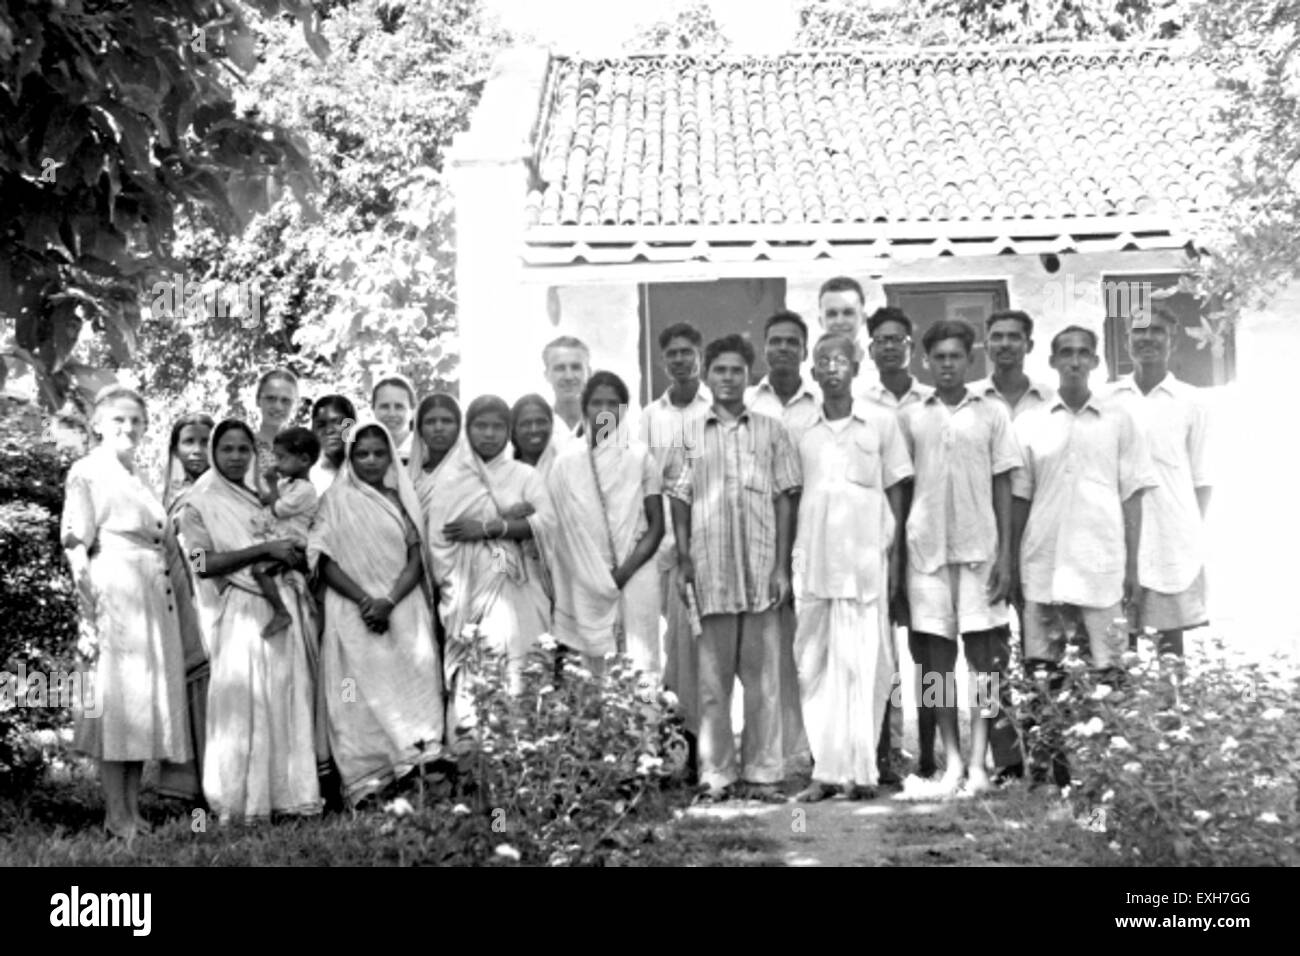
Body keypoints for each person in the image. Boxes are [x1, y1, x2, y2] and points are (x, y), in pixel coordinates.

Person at [1010, 326, 1157, 785]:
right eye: (1066, 354)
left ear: (1096, 362)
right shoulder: (1031, 421)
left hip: (1102, 561)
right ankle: (1053, 771)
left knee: (1108, 667)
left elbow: (1132, 495)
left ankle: (1108, 770)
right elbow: (1019, 498)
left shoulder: (1120, 419)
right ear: (1052, 362)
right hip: (1044, 560)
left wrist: (1134, 567)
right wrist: (1013, 564)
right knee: (1043, 668)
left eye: (1083, 354)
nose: (1074, 362)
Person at [666, 334, 802, 803]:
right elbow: (678, 500)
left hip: (762, 570)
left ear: (749, 375)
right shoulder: (687, 435)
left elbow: (787, 499)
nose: (727, 378)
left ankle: (764, 772)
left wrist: (782, 566)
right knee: (711, 684)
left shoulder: (771, 430)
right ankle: (717, 773)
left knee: (763, 681)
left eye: (736, 370)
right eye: (719, 370)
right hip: (711, 573)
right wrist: (684, 559)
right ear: (707, 375)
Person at [898, 319, 1022, 796]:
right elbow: (902, 490)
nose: (947, 364)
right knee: (934, 667)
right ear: (925, 361)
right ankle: (950, 761)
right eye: (939, 356)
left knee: (986, 664)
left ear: (970, 361)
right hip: (926, 556)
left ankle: (979, 762)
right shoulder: (911, 416)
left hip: (980, 554)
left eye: (956, 356)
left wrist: (1006, 556)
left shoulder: (991, 413)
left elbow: (1004, 485)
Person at [61, 386, 191, 838]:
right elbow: (78, 548)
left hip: (150, 597)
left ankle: (133, 811)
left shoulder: (138, 473)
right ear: (97, 423)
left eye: (136, 420)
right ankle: (115, 815)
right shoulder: (87, 472)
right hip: (115, 593)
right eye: (118, 419)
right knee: (117, 706)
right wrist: (88, 615)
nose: (128, 428)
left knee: (139, 705)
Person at [177, 419, 321, 823]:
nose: (237, 457)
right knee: (245, 702)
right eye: (228, 449)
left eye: (244, 450)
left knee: (283, 695)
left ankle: (288, 796)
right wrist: (265, 550)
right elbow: (202, 563)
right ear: (213, 453)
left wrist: (286, 554)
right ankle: (241, 800)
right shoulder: (199, 500)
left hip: (281, 603)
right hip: (240, 610)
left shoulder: (255, 496)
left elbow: (288, 532)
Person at [793, 334, 912, 802]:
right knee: (814, 667)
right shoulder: (801, 429)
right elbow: (790, 498)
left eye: (841, 359)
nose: (832, 367)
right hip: (816, 565)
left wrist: (896, 561)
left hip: (866, 568)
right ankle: (825, 773)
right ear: (814, 371)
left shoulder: (881, 423)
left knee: (867, 665)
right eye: (824, 361)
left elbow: (897, 492)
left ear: (856, 366)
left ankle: (861, 773)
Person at [308, 422, 446, 805]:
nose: (370, 460)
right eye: (361, 453)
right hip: (352, 613)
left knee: (410, 685)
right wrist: (366, 601)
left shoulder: (403, 498)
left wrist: (388, 600)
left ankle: (417, 769)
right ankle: (367, 782)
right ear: (349, 458)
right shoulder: (334, 500)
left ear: (390, 457)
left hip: (402, 608)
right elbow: (322, 557)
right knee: (353, 696)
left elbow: (418, 556)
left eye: (378, 453)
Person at [426, 396, 552, 729]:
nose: (490, 434)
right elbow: (440, 539)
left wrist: (491, 527)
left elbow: (548, 524)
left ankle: (527, 750)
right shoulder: (452, 478)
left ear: (509, 431)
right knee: (480, 669)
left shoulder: (524, 474)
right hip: (469, 591)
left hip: (521, 586)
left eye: (498, 426)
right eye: (481, 426)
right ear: (468, 430)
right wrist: (454, 590)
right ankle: (475, 752)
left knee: (523, 663)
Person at [1104, 307, 1212, 657]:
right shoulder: (1107, 401)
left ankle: (1170, 710)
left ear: (1173, 340)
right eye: (1138, 331)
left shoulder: (1192, 401)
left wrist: (1189, 531)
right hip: (1117, 532)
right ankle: (1124, 709)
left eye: (1157, 331)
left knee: (1170, 642)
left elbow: (1202, 478)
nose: (1147, 337)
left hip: (1171, 533)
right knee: (1120, 638)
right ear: (1126, 340)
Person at [548, 371, 664, 676]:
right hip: (585, 573)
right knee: (592, 660)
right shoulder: (565, 462)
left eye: (613, 403)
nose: (604, 410)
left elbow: (656, 526)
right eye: (596, 403)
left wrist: (622, 573)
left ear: (625, 410)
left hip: (637, 569)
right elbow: (560, 533)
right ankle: (598, 723)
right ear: (585, 408)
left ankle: (644, 722)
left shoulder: (640, 457)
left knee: (642, 658)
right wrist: (595, 574)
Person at [861, 305, 932, 783]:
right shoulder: (863, 405)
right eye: (881, 339)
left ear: (911, 346)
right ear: (871, 349)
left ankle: (929, 749)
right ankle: (884, 750)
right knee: (880, 649)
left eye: (898, 339)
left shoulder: (932, 402)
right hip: (883, 541)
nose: (889, 346)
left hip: (930, 542)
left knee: (930, 653)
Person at [744, 310, 817, 778]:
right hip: (759, 543)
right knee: (767, 655)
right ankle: (769, 751)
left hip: (817, 539)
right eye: (776, 341)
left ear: (804, 351)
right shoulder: (746, 403)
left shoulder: (824, 402)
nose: (784, 348)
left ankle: (816, 748)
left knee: (811, 652)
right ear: (765, 348)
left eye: (793, 342)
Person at [639, 322, 712, 753]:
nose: (681, 360)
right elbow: (644, 481)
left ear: (699, 356)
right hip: (666, 548)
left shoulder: (714, 407)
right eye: (673, 354)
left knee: (707, 648)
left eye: (688, 352)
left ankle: (710, 740)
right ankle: (679, 741)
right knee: (674, 647)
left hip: (713, 543)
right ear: (663, 360)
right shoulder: (651, 416)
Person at [156, 412, 216, 803]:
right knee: (194, 681)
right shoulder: (167, 497)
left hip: (223, 590)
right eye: (187, 442)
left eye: (203, 441)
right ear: (175, 449)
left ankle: (224, 779)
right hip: (183, 595)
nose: (196, 450)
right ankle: (191, 789)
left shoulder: (230, 489)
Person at [251, 426, 321, 639]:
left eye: (281, 457)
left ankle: (282, 612)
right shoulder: (288, 483)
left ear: (304, 460)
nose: (276, 463)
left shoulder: (306, 490)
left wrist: (272, 484)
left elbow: (278, 509)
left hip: (292, 545)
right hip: (279, 541)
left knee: (260, 570)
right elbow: (266, 500)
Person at [967, 310, 1056, 419]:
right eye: (997, 337)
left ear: (1029, 346)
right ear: (986, 347)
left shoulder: (1050, 399)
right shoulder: (968, 399)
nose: (1005, 344)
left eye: (1014, 337)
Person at [407, 393, 463, 513]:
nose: (438, 428)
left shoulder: (470, 474)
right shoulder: (408, 477)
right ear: (419, 430)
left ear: (459, 427)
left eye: (447, 421)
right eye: (430, 422)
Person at [251, 368, 299, 494]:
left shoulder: (303, 449)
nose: (278, 407)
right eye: (271, 398)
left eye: (286, 401)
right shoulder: (245, 446)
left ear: (295, 405)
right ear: (258, 400)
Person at [309, 394, 357, 496]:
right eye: (321, 425)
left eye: (338, 423)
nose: (329, 430)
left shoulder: (371, 469)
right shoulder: (306, 477)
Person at [542, 335, 591, 435]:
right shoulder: (538, 427)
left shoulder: (607, 425)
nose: (568, 376)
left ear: (589, 373)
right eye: (560, 368)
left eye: (576, 367)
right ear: (547, 375)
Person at [817, 275, 868, 358]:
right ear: (820, 321)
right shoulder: (805, 367)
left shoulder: (877, 365)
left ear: (863, 318)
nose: (840, 321)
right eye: (832, 314)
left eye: (848, 313)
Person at [372, 375, 417, 466]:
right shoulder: (360, 452)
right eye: (384, 406)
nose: (392, 414)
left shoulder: (426, 452)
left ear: (412, 411)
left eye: (399, 407)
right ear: (373, 409)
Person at [510, 393, 559, 477]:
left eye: (541, 422)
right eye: (526, 423)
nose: (534, 430)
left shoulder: (564, 467)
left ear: (551, 425)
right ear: (514, 430)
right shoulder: (504, 472)